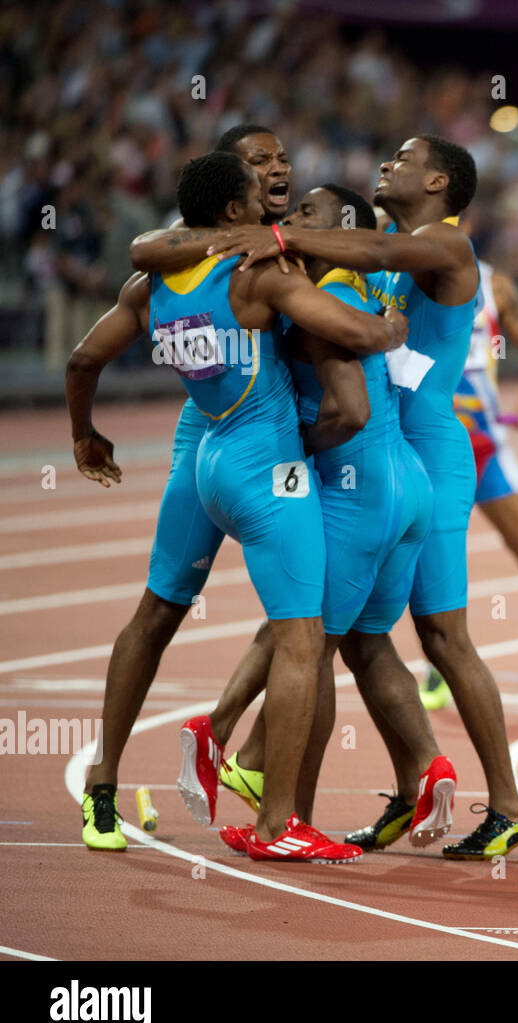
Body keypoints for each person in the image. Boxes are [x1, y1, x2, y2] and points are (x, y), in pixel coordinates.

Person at [69, 151, 406, 861]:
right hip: (268, 468)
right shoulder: (257, 275)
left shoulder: (150, 283)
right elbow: (357, 334)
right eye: (260, 190)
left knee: (159, 608)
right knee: (302, 642)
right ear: (231, 212)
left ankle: (116, 777)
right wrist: (388, 320)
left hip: (208, 456)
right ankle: (277, 823)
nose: (272, 204)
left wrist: (84, 435)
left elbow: (81, 361)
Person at [210, 136, 518, 859]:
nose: (384, 164)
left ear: (440, 181)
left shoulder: (446, 248)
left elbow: (375, 259)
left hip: (428, 454)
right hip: (388, 456)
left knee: (443, 637)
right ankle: (416, 781)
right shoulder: (390, 239)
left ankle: (508, 805)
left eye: (402, 159)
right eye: (382, 156)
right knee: (361, 640)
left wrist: (270, 231)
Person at [175, 184, 457, 854]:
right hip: (408, 488)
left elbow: (349, 409)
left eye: (308, 214)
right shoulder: (360, 287)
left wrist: (303, 446)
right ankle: (428, 766)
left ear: (343, 227)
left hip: (356, 492)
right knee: (365, 643)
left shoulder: (321, 301)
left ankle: (241, 762)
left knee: (303, 642)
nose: (291, 221)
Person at [74, 125, 297, 850]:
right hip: (240, 438)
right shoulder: (188, 258)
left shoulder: (288, 235)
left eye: (281, 157)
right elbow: (144, 251)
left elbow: (84, 360)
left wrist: (83, 431)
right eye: (258, 161)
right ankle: (122, 779)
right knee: (282, 614)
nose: (276, 167)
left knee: (293, 608)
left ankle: (235, 754)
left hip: (238, 438)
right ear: (231, 193)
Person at [421, 256, 518, 710]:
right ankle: (439, 653)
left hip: (486, 446)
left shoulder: (494, 282)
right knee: (428, 563)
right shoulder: (403, 273)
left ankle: (440, 635)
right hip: (429, 451)